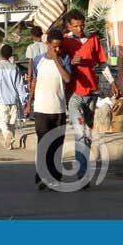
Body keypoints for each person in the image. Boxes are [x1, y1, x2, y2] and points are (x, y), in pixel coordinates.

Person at [58, 8, 110, 179]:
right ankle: (82, 173)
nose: (79, 29)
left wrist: (112, 82)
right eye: (76, 26)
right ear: (69, 26)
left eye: (82, 25)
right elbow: (57, 63)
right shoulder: (64, 42)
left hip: (92, 93)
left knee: (86, 134)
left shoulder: (93, 39)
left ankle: (83, 168)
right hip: (74, 94)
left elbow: (102, 63)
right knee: (80, 133)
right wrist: (71, 62)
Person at [29, 31, 71, 190]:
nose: (57, 50)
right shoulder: (38, 60)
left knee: (57, 145)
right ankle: (42, 176)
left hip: (58, 108)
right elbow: (34, 81)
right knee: (43, 143)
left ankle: (54, 177)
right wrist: (28, 102)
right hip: (41, 108)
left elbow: (67, 78)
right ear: (48, 44)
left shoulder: (64, 59)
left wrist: (56, 59)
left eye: (60, 47)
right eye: (55, 47)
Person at [0, 44, 28, 149]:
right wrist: (24, 101)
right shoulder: (14, 67)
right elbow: (20, 85)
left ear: (0, 54)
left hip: (2, 101)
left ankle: (7, 135)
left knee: (2, 122)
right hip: (14, 101)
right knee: (12, 123)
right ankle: (10, 145)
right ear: (10, 55)